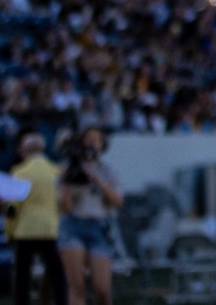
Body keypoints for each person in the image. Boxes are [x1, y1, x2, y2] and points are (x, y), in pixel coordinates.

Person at [57, 127, 121, 305]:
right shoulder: (68, 168)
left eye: (97, 139)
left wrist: (98, 180)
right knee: (77, 286)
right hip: (73, 224)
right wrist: (68, 183)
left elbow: (117, 201)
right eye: (89, 138)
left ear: (102, 144)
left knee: (102, 289)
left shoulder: (107, 170)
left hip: (98, 225)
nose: (92, 143)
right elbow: (65, 208)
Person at [6, 131, 67, 305]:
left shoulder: (19, 172)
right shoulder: (56, 171)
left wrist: (9, 232)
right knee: (57, 274)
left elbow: (13, 208)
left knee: (23, 275)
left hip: (25, 230)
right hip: (52, 229)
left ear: (23, 151)